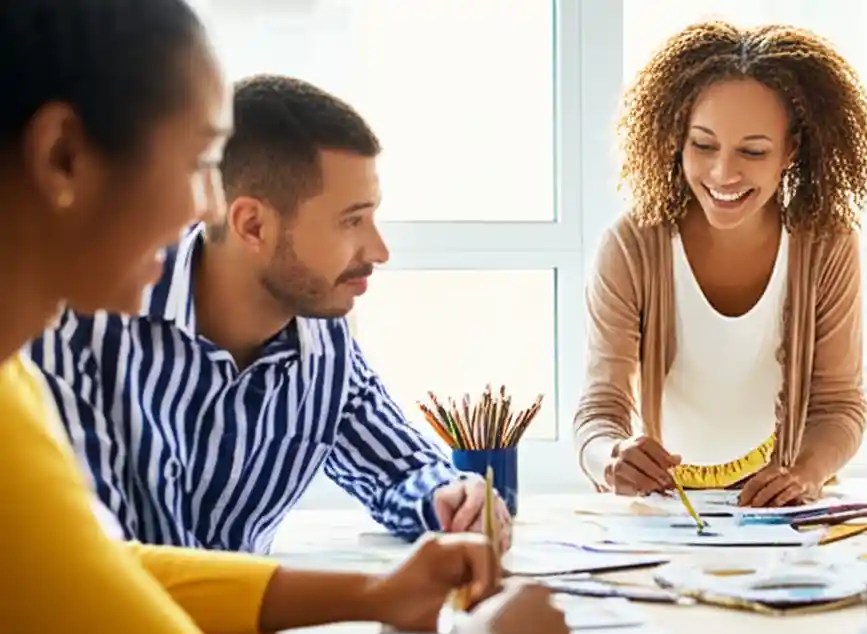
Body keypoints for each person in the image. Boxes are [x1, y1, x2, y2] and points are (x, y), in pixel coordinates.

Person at [2, 1, 572, 634]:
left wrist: (373, 592)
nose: (208, 206)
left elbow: (100, 573)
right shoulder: (47, 358)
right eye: (200, 161)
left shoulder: (10, 381)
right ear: (62, 157)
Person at [27, 73, 511, 552]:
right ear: (252, 225)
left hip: (244, 627)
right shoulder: (85, 327)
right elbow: (113, 568)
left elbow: (403, 471)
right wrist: (371, 597)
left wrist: (455, 497)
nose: (380, 250)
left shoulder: (323, 341)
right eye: (352, 221)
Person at [574, 21, 867, 507]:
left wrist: (804, 474)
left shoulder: (827, 244)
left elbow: (839, 404)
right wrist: (609, 457)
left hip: (777, 508)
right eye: (703, 145)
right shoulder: (631, 244)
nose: (722, 173)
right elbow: (599, 407)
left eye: (753, 151)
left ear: (791, 151)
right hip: (667, 505)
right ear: (676, 139)